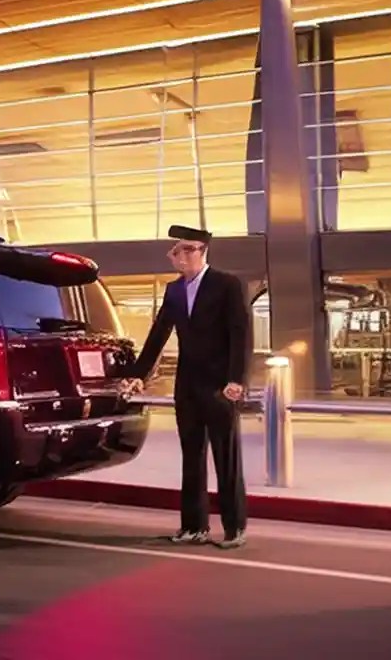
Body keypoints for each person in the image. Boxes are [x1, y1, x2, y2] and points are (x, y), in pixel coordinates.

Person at [120, 225, 251, 549]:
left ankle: (234, 529)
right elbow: (159, 334)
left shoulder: (227, 284)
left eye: (178, 250)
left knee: (226, 457)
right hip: (187, 385)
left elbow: (240, 334)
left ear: (197, 250)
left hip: (220, 386)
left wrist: (237, 380)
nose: (173, 256)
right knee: (191, 457)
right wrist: (139, 373)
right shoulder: (174, 291)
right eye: (174, 251)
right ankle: (194, 527)